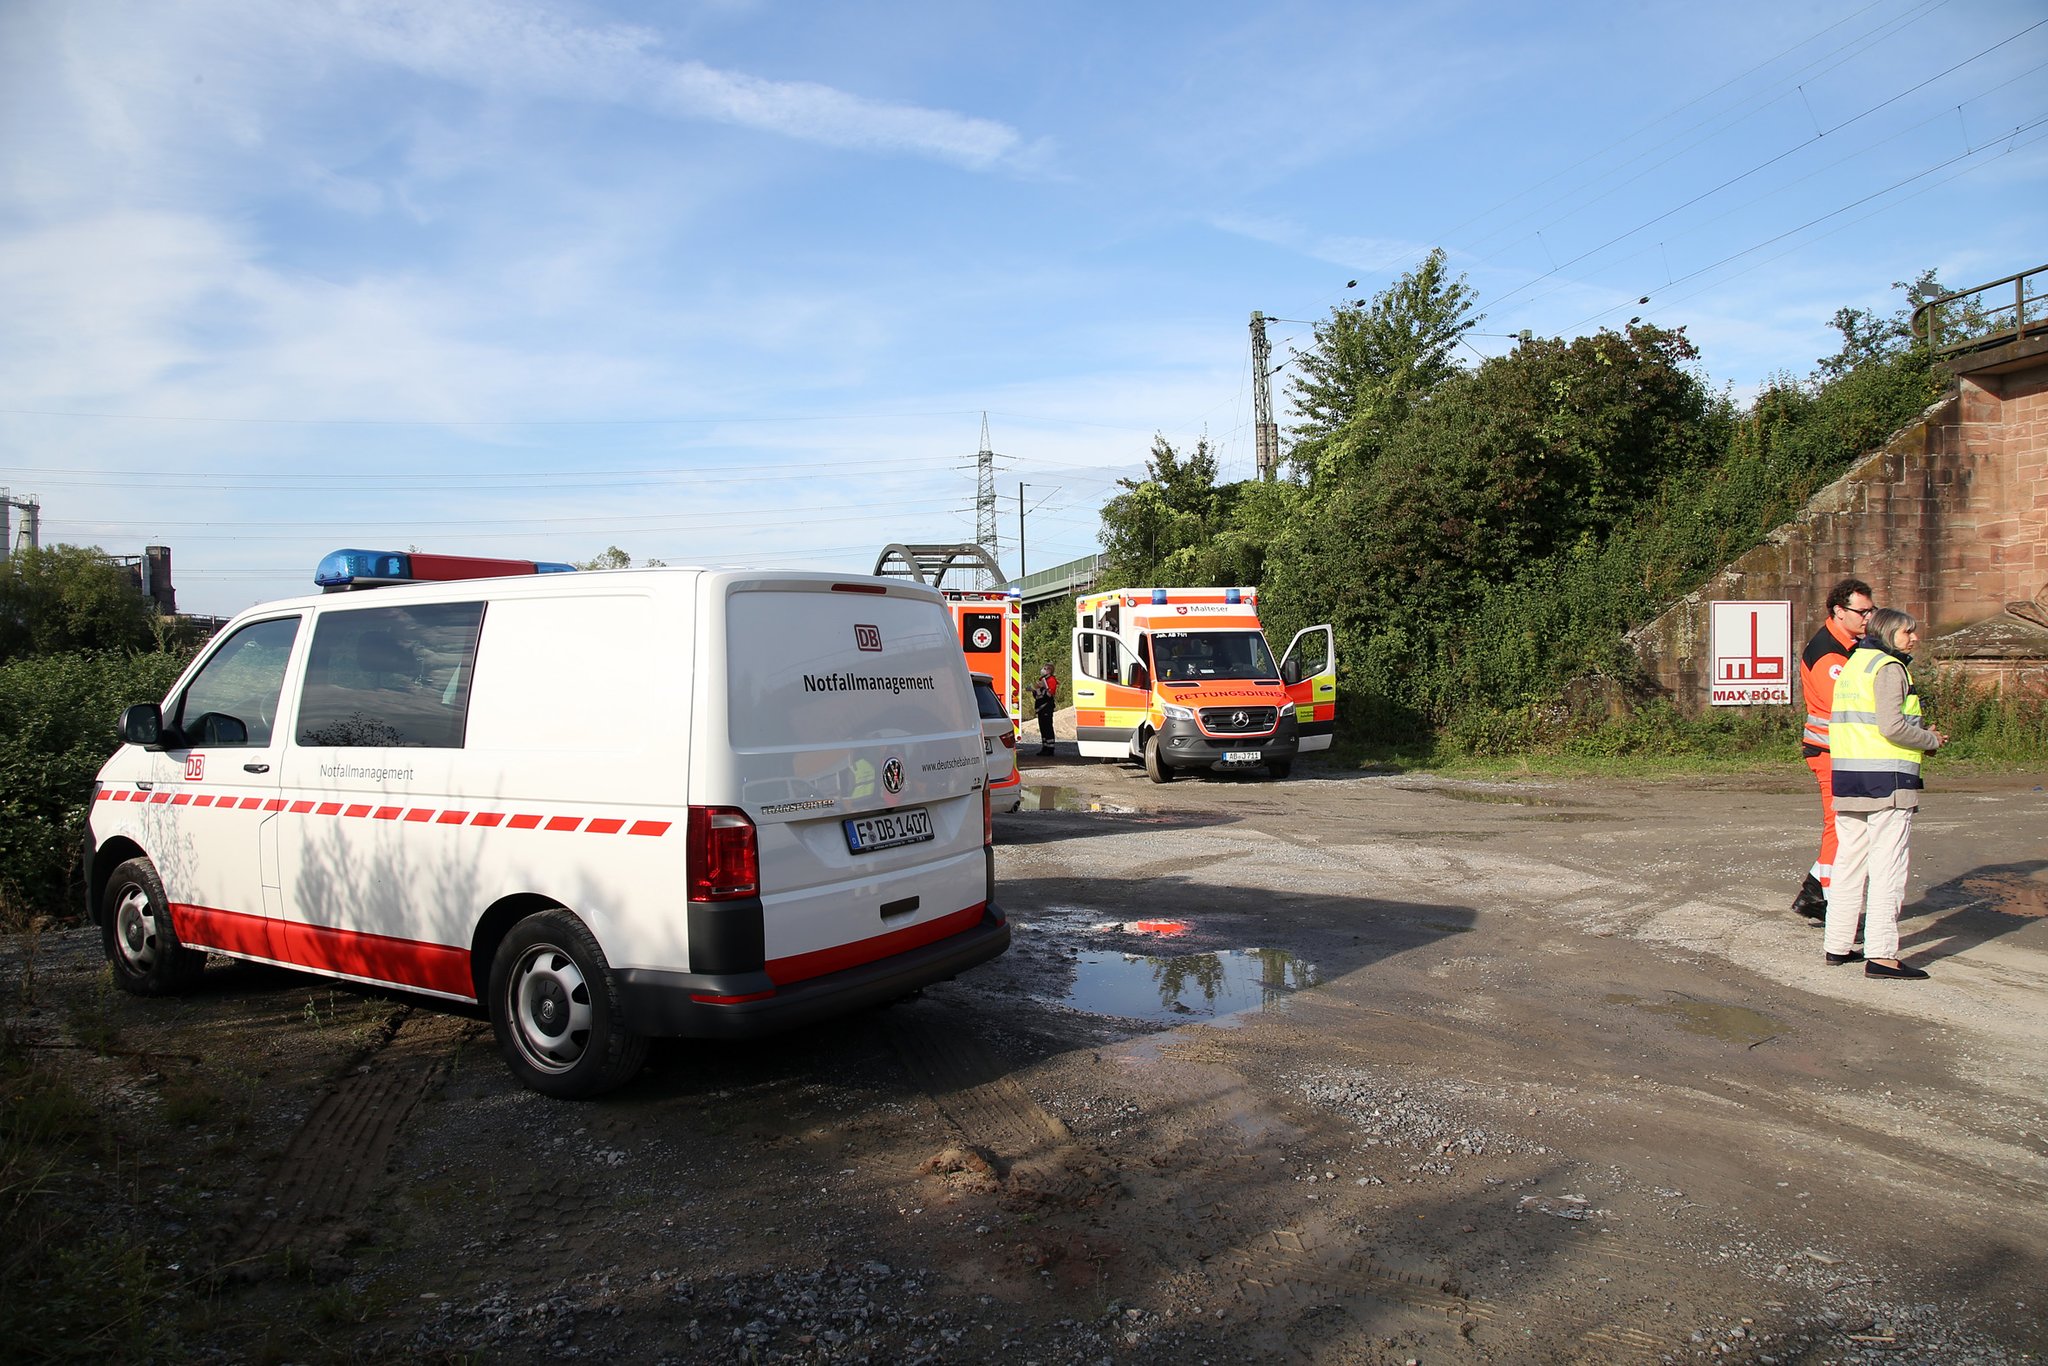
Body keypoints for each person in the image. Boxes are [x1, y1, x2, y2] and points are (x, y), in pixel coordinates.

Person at [1825, 607, 1946, 979]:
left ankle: (1838, 943)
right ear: (1889, 633)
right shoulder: (1889, 668)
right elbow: (1892, 727)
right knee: (1887, 867)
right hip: (1887, 781)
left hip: (1849, 778)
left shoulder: (1854, 664)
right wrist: (1931, 740)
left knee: (1848, 864)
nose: (1913, 638)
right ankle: (1881, 954)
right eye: (1907, 632)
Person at [1791, 577, 1876, 923]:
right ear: (1839, 611)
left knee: (1845, 825)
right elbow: (1845, 704)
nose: (1868, 618)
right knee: (1841, 826)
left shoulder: (1851, 644)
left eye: (1872, 611)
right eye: (1862, 612)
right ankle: (1830, 899)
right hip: (1831, 752)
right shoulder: (1829, 653)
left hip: (1843, 750)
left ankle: (1815, 894)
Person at [1031, 663, 1058, 756]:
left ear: (1050, 670)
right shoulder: (1042, 680)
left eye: (1045, 668)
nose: (1043, 670)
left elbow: (1049, 694)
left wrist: (1039, 690)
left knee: (1047, 728)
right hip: (1041, 708)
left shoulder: (1051, 680)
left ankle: (1050, 748)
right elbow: (1037, 695)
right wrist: (1035, 690)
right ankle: (1045, 747)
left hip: (1047, 707)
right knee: (1043, 728)